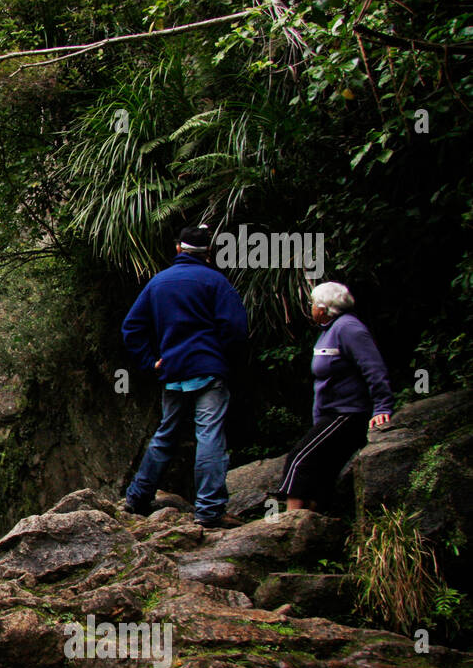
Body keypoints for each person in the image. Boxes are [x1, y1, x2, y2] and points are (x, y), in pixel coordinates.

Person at [122, 225, 249, 527]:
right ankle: (208, 510)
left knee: (166, 434)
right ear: (208, 253)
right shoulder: (216, 282)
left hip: (172, 369)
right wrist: (222, 355)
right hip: (208, 368)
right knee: (209, 435)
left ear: (178, 249)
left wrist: (150, 362)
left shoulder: (158, 283)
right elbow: (236, 329)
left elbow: (131, 327)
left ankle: (137, 497)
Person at [275, 281, 393, 511]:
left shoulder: (349, 329)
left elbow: (374, 369)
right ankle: (313, 523)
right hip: (329, 414)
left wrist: (382, 408)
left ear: (323, 308)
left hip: (348, 412)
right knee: (320, 468)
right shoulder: (328, 331)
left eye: (311, 304)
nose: (309, 308)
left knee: (298, 460)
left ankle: (289, 526)